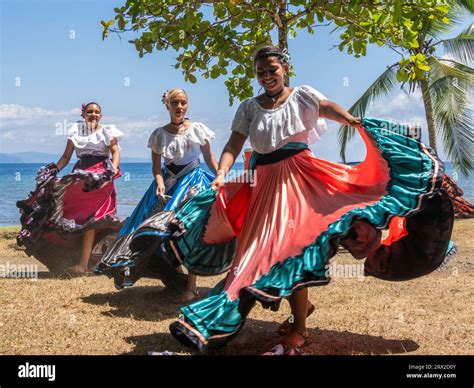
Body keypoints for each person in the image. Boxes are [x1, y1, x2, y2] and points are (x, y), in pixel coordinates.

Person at [158, 45, 454, 354]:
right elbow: (233, 145)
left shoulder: (302, 95)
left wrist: (353, 121)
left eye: (272, 69)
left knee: (291, 251)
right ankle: (297, 309)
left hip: (301, 181)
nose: (266, 76)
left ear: (284, 68)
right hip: (263, 187)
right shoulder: (248, 107)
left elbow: (327, 107)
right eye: (260, 72)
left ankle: (299, 331)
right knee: (259, 256)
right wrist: (221, 173)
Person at [96, 88, 218, 299]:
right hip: (167, 184)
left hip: (193, 182)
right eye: (175, 103)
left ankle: (191, 285)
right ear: (168, 106)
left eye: (183, 103)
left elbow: (209, 158)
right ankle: (176, 279)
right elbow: (155, 167)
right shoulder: (159, 134)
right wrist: (160, 183)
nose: (180, 107)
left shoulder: (198, 129)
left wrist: (220, 176)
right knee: (156, 231)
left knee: (192, 229)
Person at [17, 102, 124, 277]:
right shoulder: (75, 131)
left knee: (92, 219)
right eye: (90, 112)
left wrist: (112, 171)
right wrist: (52, 171)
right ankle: (69, 258)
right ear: (83, 115)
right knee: (61, 210)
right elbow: (66, 157)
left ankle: (83, 265)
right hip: (80, 176)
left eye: (97, 112)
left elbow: (115, 152)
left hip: (100, 178)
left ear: (101, 116)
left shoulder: (108, 131)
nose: (93, 114)